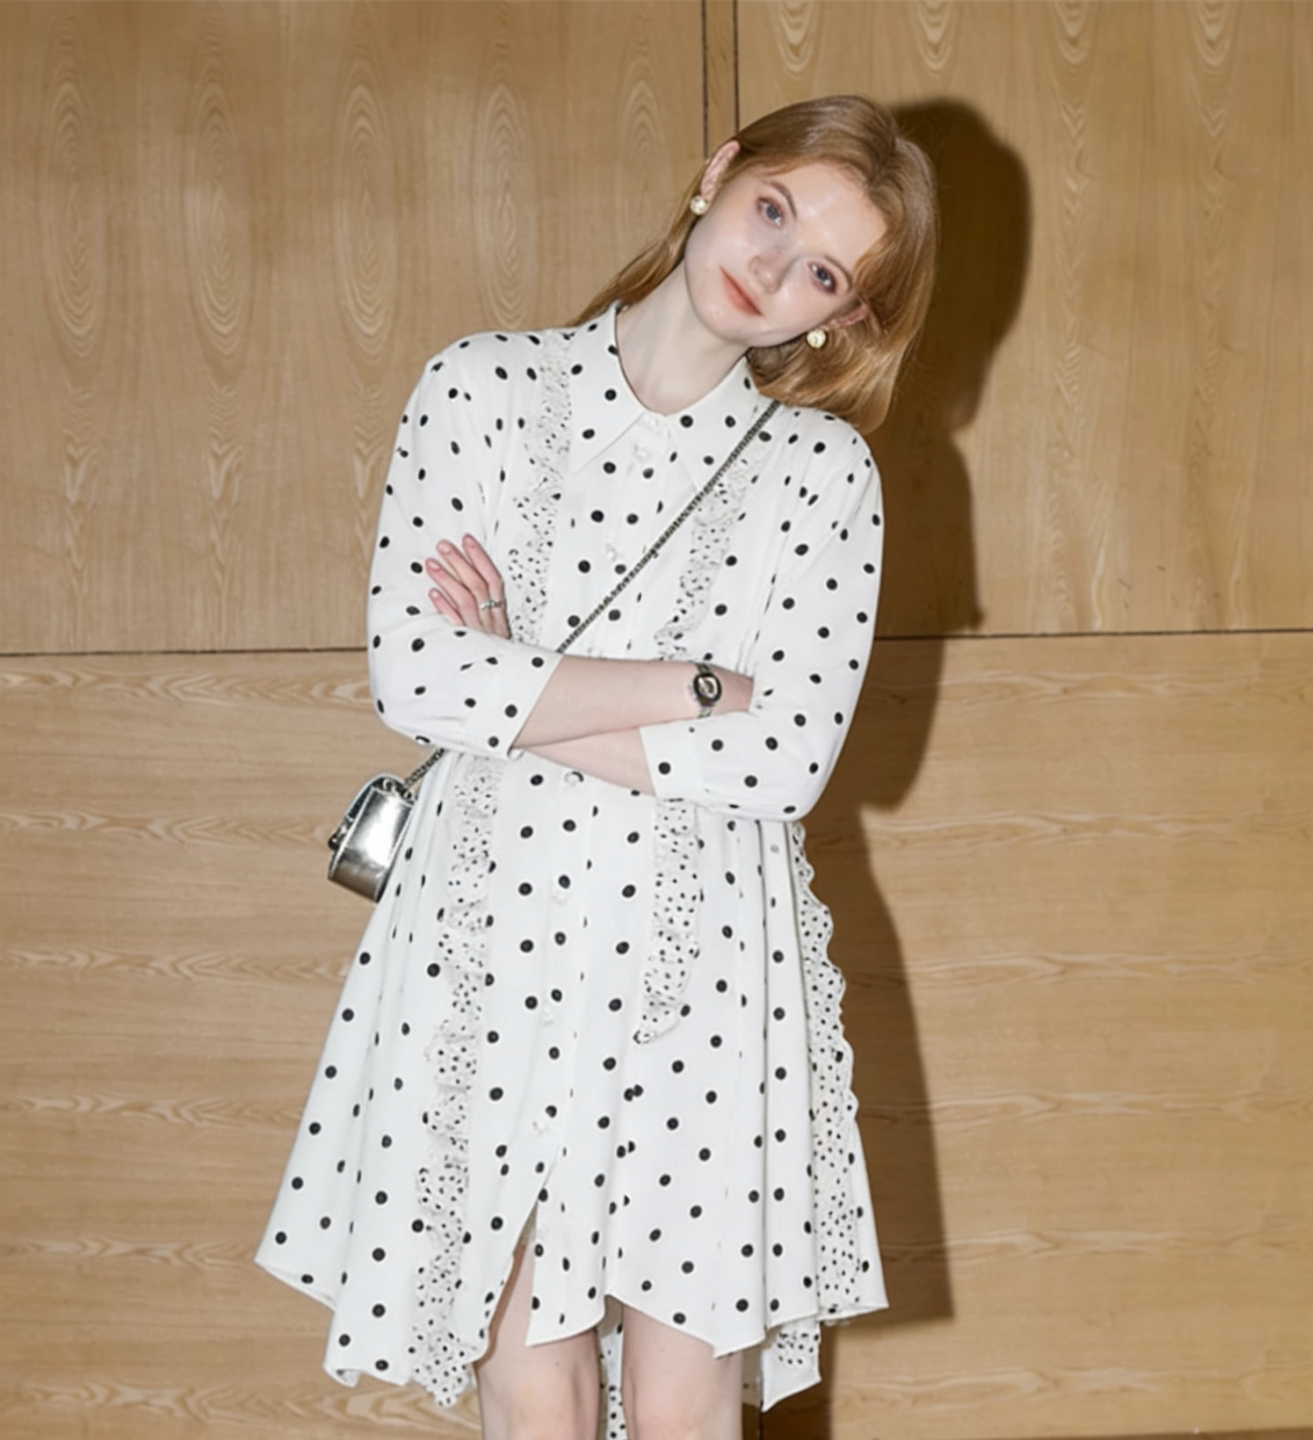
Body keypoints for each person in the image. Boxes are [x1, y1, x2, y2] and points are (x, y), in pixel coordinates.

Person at [257, 93, 937, 1440]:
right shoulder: (484, 388)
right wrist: (695, 688)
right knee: (532, 1370)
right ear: (718, 172)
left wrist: (518, 683)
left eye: (821, 273)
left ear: (836, 319)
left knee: (686, 1389)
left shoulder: (821, 475)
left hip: (703, 950)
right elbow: (417, 677)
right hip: (489, 925)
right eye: (773, 211)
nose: (772, 267)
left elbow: (785, 762)